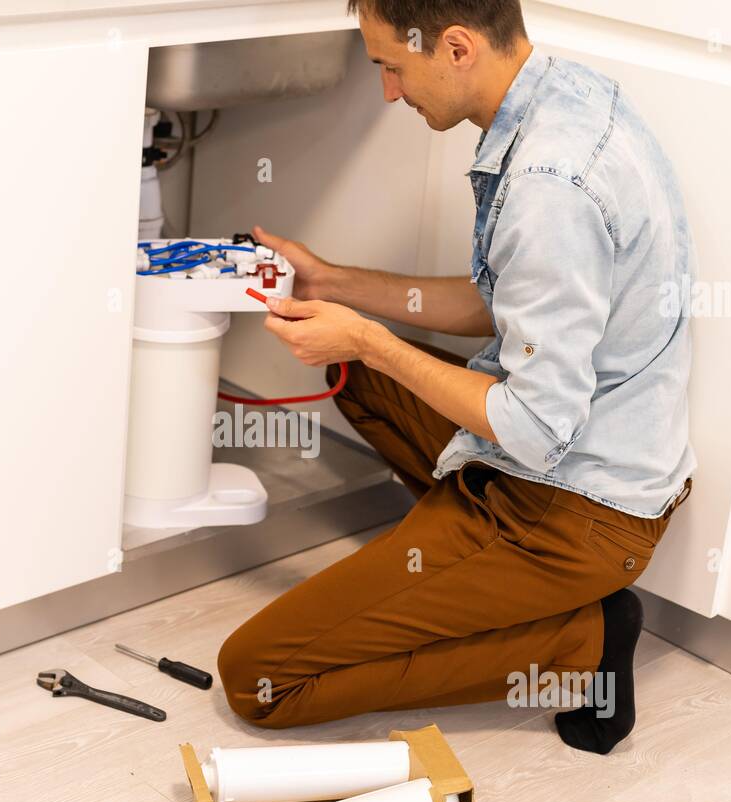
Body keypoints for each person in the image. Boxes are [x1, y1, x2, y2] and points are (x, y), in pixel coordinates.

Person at [217, 0, 696, 754]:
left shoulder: (549, 186)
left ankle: (582, 641)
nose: (388, 91)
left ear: (457, 47)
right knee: (355, 365)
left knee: (259, 679)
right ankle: (465, 575)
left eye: (391, 67)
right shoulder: (564, 97)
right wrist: (334, 284)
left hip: (571, 506)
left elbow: (536, 432)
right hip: (569, 457)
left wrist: (377, 342)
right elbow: (509, 299)